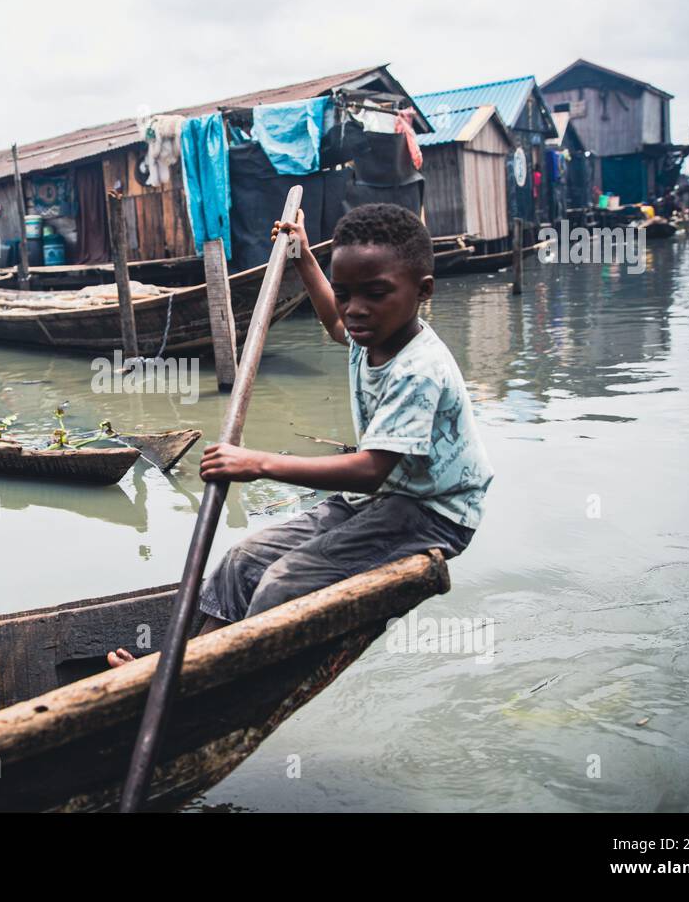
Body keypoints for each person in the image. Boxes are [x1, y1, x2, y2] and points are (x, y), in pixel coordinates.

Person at [107, 203, 493, 667]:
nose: (355, 310)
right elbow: (334, 321)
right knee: (242, 561)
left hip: (433, 511)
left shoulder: (419, 370)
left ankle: (207, 681)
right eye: (346, 293)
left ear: (422, 291)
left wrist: (259, 463)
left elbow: (370, 471)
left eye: (375, 294)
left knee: (284, 583)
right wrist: (304, 257)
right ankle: (186, 669)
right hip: (382, 499)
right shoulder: (368, 331)